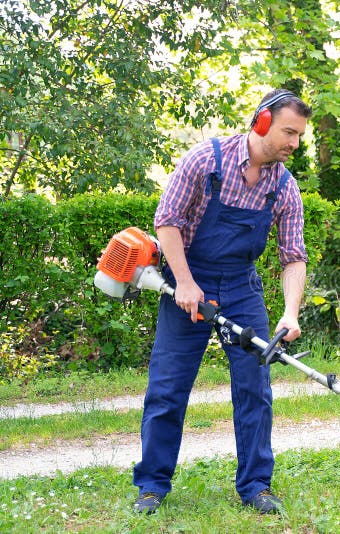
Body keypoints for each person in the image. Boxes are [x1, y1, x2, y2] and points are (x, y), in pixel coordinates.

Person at [132, 89, 312, 515]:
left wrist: (290, 312)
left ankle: (256, 485)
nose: (295, 143)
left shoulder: (284, 187)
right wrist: (187, 284)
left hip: (240, 287)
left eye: (300, 136)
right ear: (262, 122)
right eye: (289, 132)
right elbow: (167, 222)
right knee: (168, 388)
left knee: (255, 388)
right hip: (188, 280)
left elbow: (294, 256)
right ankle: (152, 486)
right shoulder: (205, 161)